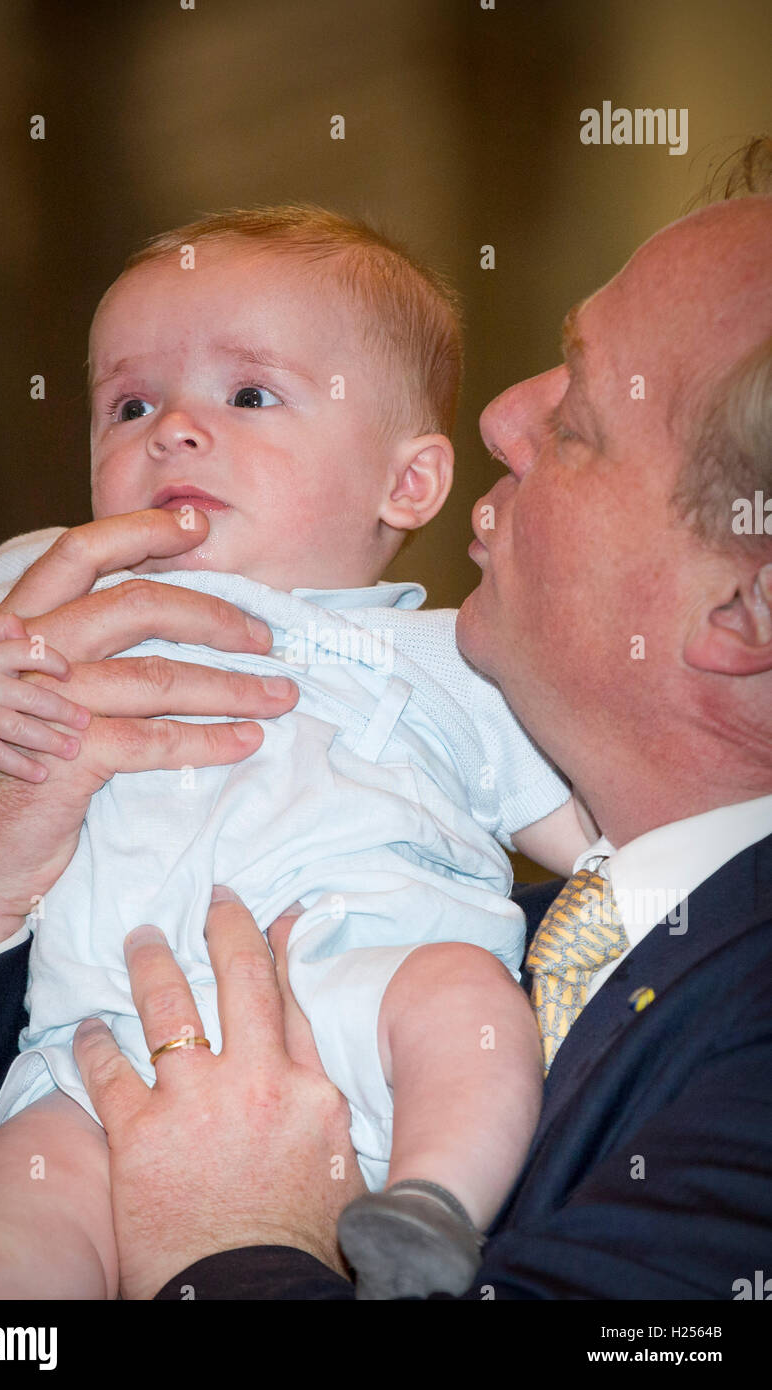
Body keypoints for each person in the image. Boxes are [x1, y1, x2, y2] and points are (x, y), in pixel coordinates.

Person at [58, 165, 772, 1300]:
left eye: (576, 418)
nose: (495, 414)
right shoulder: (523, 923)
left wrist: (226, 1247)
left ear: (741, 611)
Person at [0, 207, 591, 1299]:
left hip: (364, 989)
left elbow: (603, 865)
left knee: (468, 1004)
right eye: (130, 403)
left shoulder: (452, 657)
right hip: (97, 1045)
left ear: (405, 484)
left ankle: (429, 1204)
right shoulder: (52, 578)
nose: (171, 430)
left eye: (248, 395)